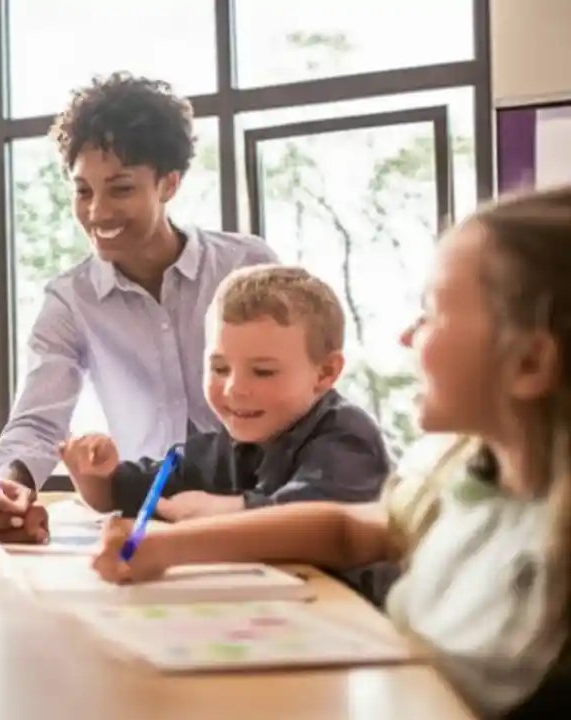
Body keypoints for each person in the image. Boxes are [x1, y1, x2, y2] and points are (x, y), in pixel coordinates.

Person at [94, 186, 571, 718]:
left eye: (433, 314)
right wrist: (167, 549)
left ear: (529, 364)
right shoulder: (464, 483)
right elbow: (343, 529)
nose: (407, 336)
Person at [0, 72, 276, 539]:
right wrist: (10, 483)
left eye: (121, 189)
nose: (97, 213)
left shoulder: (246, 264)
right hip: (147, 522)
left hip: (264, 509)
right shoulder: (70, 300)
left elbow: (304, 394)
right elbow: (38, 420)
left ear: (168, 184)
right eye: (84, 191)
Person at [63, 265, 388, 522]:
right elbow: (127, 492)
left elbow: (314, 521)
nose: (234, 388)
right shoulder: (225, 446)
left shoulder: (347, 437)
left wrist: (228, 511)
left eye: (263, 371)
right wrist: (95, 475)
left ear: (325, 373)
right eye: (219, 369)